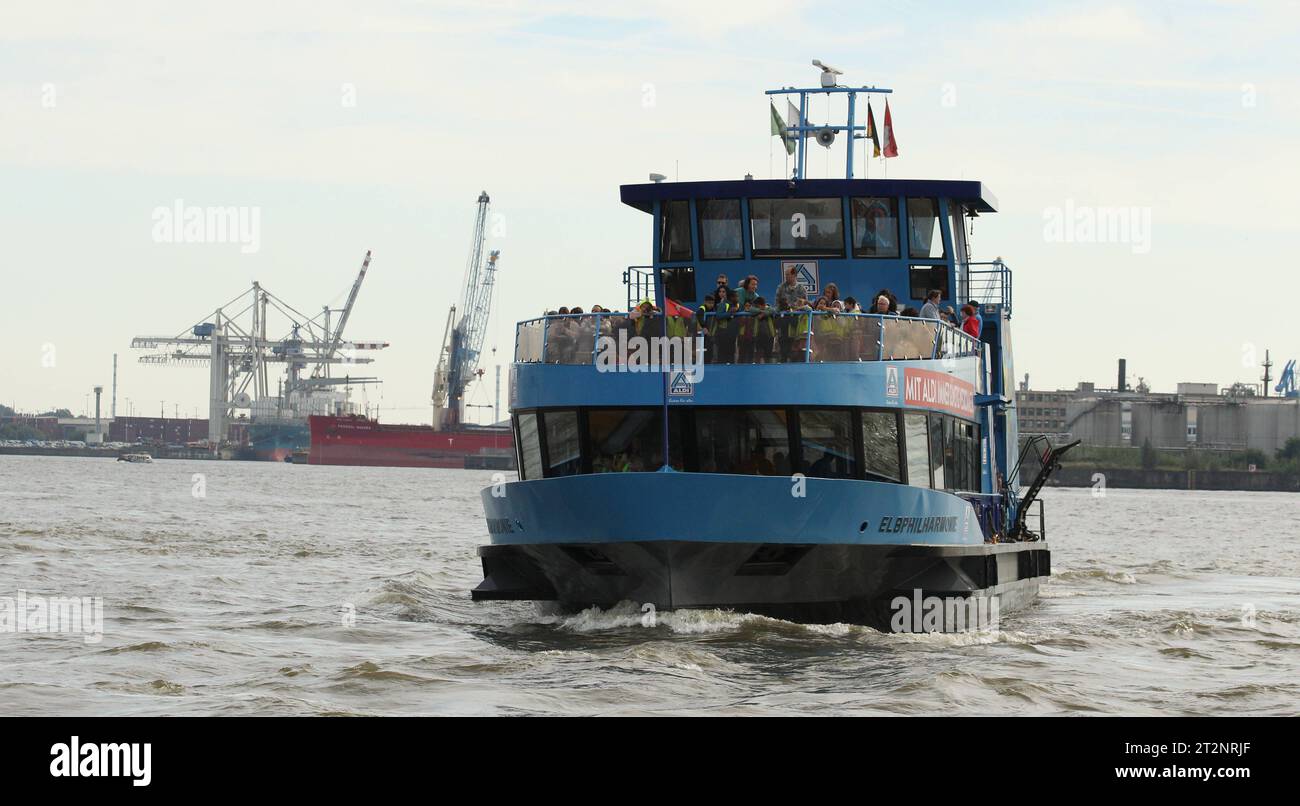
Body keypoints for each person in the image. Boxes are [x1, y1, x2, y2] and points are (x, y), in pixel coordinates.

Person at [775, 264, 810, 362]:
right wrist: (782, 309)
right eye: (785, 275)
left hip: (797, 321)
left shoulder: (801, 289)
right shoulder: (781, 287)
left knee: (795, 344)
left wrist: (795, 308)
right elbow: (777, 303)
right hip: (784, 320)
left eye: (788, 274)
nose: (786, 277)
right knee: (783, 342)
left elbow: (804, 305)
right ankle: (783, 361)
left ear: (794, 275)